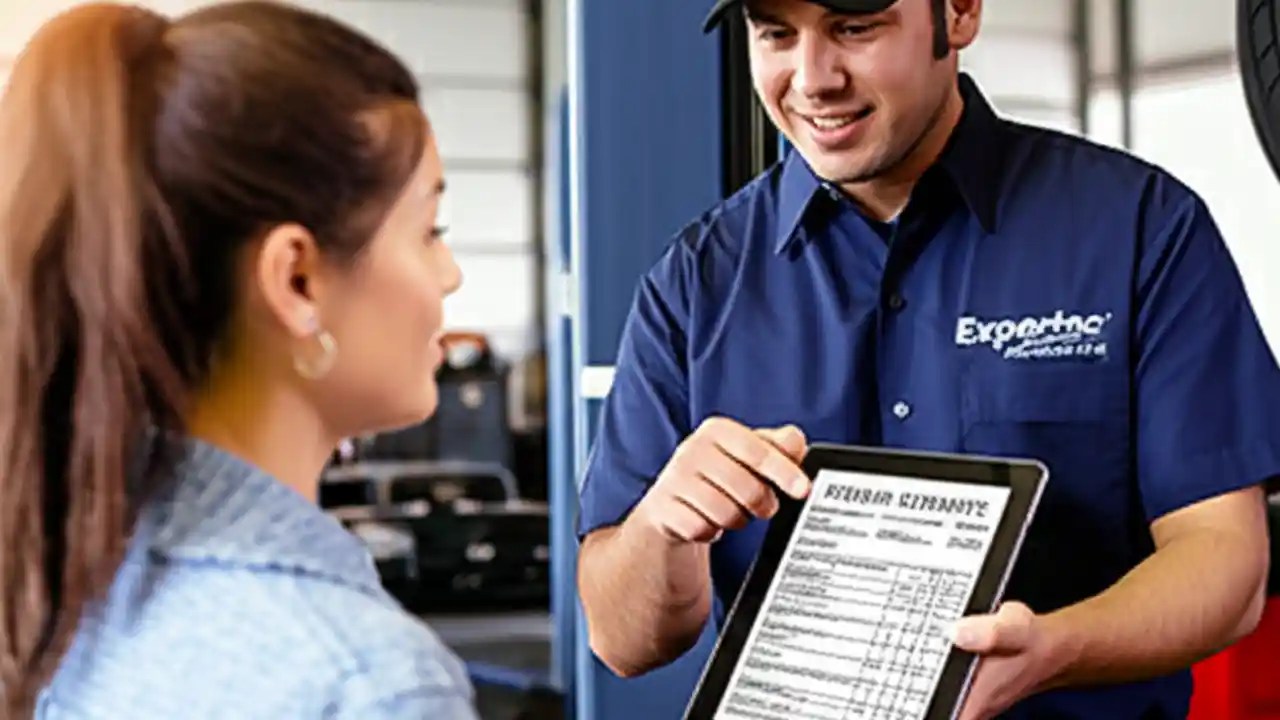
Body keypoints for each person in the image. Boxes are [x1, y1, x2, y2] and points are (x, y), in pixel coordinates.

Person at [576, 0, 1277, 718]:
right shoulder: (694, 284)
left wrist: (1056, 649)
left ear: (962, 14)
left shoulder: (1141, 230)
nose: (812, 79)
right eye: (776, 34)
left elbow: (1224, 559)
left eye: (855, 27)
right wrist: (661, 529)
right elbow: (624, 640)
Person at [0, 2, 478, 718]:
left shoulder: (56, 598)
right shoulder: (367, 682)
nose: (451, 276)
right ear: (297, 282)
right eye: (429, 231)